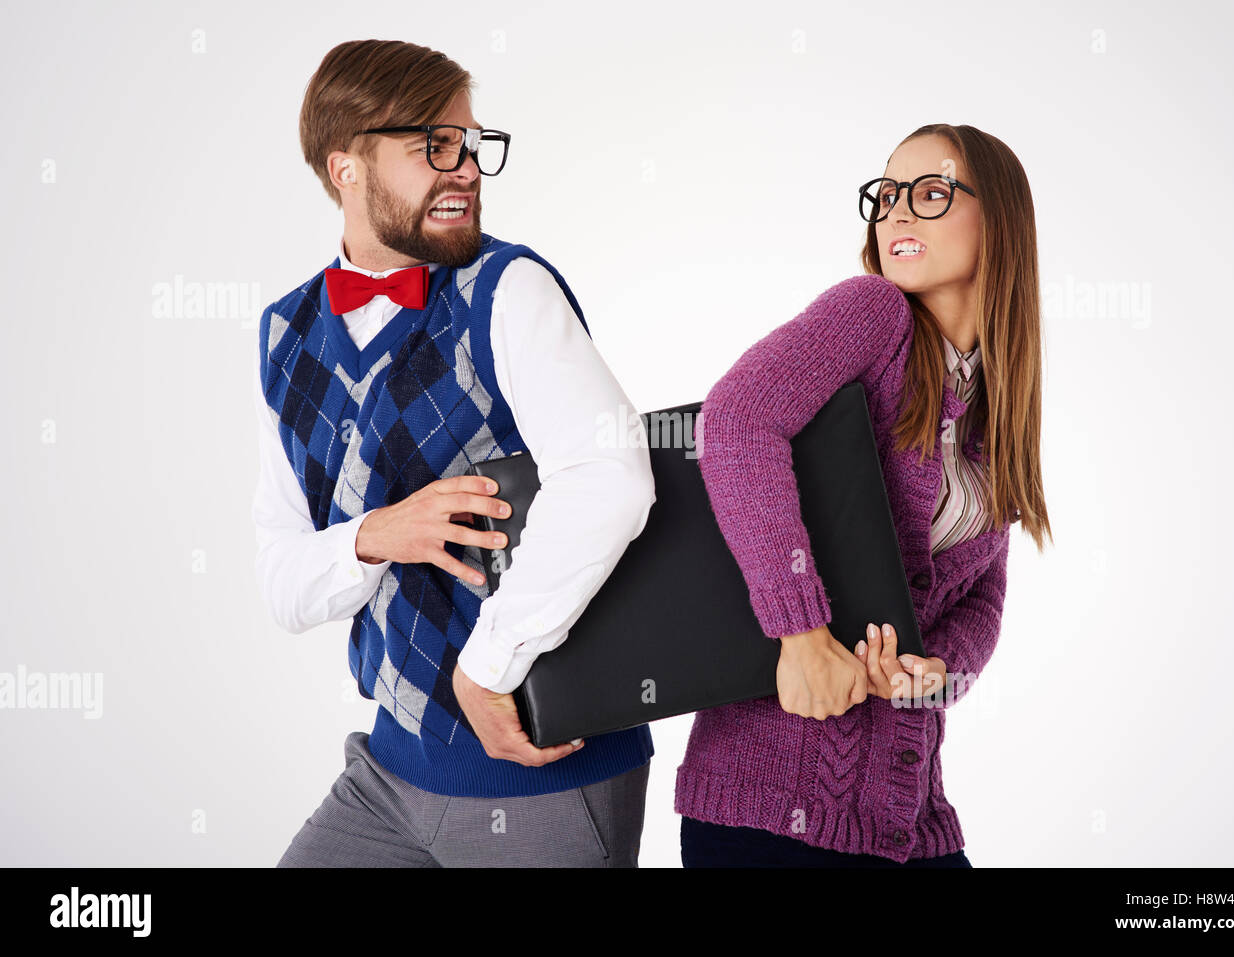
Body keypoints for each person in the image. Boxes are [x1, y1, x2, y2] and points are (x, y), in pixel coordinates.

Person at [253, 39, 653, 867]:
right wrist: (377, 534)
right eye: (432, 146)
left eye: (471, 144)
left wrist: (485, 667)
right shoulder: (284, 336)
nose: (465, 167)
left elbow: (614, 476)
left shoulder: (508, 291)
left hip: (544, 769)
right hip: (388, 771)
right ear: (346, 169)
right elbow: (282, 582)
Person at [675, 124, 1052, 867]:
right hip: (771, 806)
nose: (897, 213)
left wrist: (936, 670)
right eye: (886, 195)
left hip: (910, 813)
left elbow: (985, 591)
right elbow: (737, 420)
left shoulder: (998, 400)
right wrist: (802, 636)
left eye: (932, 193)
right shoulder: (874, 315)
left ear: (1000, 222)